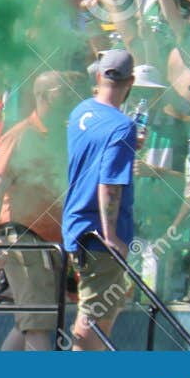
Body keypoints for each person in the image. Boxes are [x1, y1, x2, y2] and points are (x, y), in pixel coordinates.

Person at [0, 70, 74, 350]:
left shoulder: (65, 135)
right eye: (63, 91)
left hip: (53, 241)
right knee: (37, 324)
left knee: (30, 321)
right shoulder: (20, 135)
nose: (71, 96)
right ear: (44, 96)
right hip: (24, 236)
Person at [63, 48, 139, 350]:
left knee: (95, 313)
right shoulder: (123, 126)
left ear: (98, 77)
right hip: (98, 234)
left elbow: (93, 153)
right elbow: (109, 185)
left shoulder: (80, 111)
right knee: (94, 322)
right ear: (130, 82)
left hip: (76, 225)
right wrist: (111, 236)